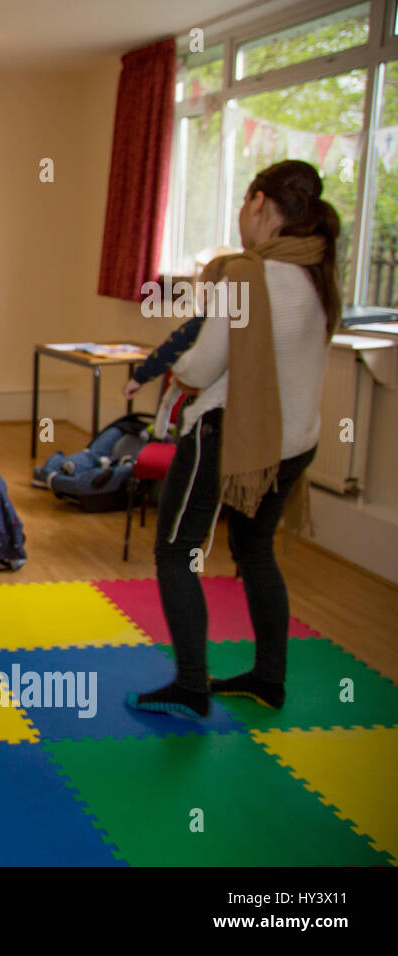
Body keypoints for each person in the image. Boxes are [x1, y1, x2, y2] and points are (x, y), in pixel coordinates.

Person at [126, 159, 340, 719]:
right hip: (293, 444)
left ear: (260, 203)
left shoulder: (249, 274)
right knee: (255, 550)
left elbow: (203, 366)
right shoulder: (318, 271)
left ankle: (192, 685)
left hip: (230, 435)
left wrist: (178, 373)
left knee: (176, 549)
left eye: (244, 204)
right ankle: (269, 678)